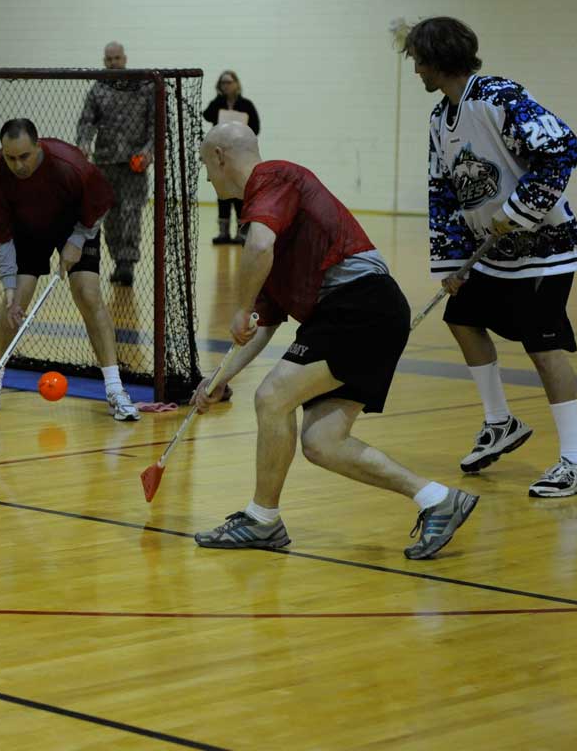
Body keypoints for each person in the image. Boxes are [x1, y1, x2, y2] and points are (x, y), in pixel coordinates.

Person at [191, 123, 478, 560]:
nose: (208, 180)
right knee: (323, 442)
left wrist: (237, 305)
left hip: (360, 305)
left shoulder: (274, 179)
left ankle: (262, 519)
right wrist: (217, 378)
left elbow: (259, 247)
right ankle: (437, 499)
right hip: (362, 314)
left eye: (205, 168)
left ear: (220, 158)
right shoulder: (274, 216)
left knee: (272, 397)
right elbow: (263, 325)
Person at [402, 17, 577, 497]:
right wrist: (450, 263)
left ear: (438, 59)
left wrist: (519, 209)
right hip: (492, 254)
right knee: (462, 318)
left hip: (544, 250)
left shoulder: (497, 97)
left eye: (418, 61)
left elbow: (562, 147)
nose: (415, 72)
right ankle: (499, 422)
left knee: (542, 347)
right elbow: (443, 193)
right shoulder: (437, 119)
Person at [0, 118, 140, 421]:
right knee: (14, 303)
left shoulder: (68, 163)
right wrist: (8, 285)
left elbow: (99, 204)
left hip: (76, 224)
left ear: (38, 147)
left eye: (24, 156)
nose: (18, 165)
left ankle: (115, 390)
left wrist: (77, 239)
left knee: (87, 293)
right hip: (27, 231)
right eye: (10, 158)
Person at [76, 41, 155, 287]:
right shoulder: (98, 90)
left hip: (135, 164)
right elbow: (87, 121)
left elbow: (155, 126)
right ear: (104, 62)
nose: (113, 63)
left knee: (131, 213)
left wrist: (148, 152)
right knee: (108, 216)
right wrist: (83, 144)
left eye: (117, 58)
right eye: (109, 59)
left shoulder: (144, 88)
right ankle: (117, 260)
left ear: (125, 58)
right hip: (106, 162)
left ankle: (126, 264)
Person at [202, 70, 260, 245]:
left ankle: (242, 233)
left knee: (240, 195)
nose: (225, 86)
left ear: (236, 83)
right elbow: (206, 115)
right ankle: (223, 232)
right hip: (221, 156)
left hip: (239, 156)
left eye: (228, 82)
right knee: (223, 194)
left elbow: (255, 128)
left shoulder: (246, 105)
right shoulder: (218, 103)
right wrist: (219, 101)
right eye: (222, 83)